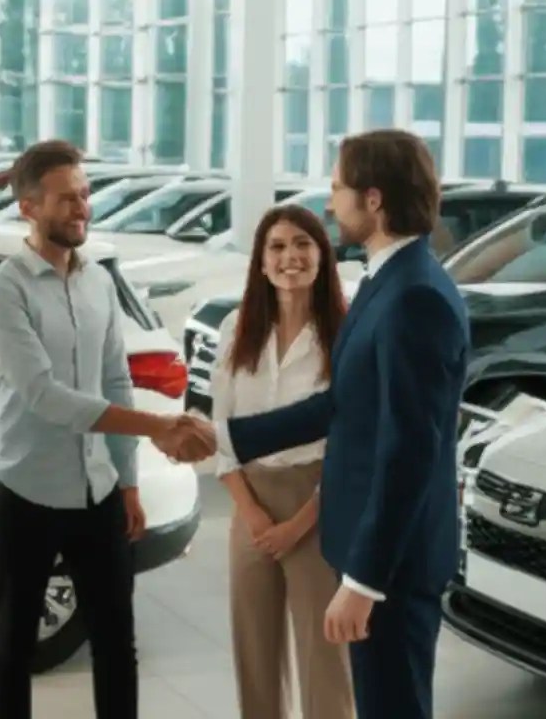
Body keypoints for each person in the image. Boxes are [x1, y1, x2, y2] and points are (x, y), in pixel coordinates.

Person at [165, 129, 470, 719]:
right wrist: (223, 437)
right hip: (369, 547)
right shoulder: (386, 284)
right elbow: (341, 408)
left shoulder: (414, 298)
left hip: (393, 568)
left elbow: (409, 452)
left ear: (373, 199)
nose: (331, 202)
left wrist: (364, 582)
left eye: (337, 188)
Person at [0, 139, 212, 719]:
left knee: (114, 639)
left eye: (84, 195)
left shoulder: (98, 282)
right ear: (28, 207)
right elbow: (44, 395)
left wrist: (128, 479)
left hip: (98, 489)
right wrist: (157, 425)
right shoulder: (2, 289)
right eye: (65, 199)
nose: (81, 207)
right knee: (12, 646)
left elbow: (114, 380)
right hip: (24, 490)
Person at [203, 205, 354, 719]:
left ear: (321, 255)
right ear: (261, 263)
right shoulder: (236, 328)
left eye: (302, 244)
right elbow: (222, 431)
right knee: (255, 650)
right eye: (277, 246)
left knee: (323, 652)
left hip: (318, 499)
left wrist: (297, 525)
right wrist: (254, 516)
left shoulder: (345, 331)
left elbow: (352, 444)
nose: (290, 256)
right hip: (250, 501)